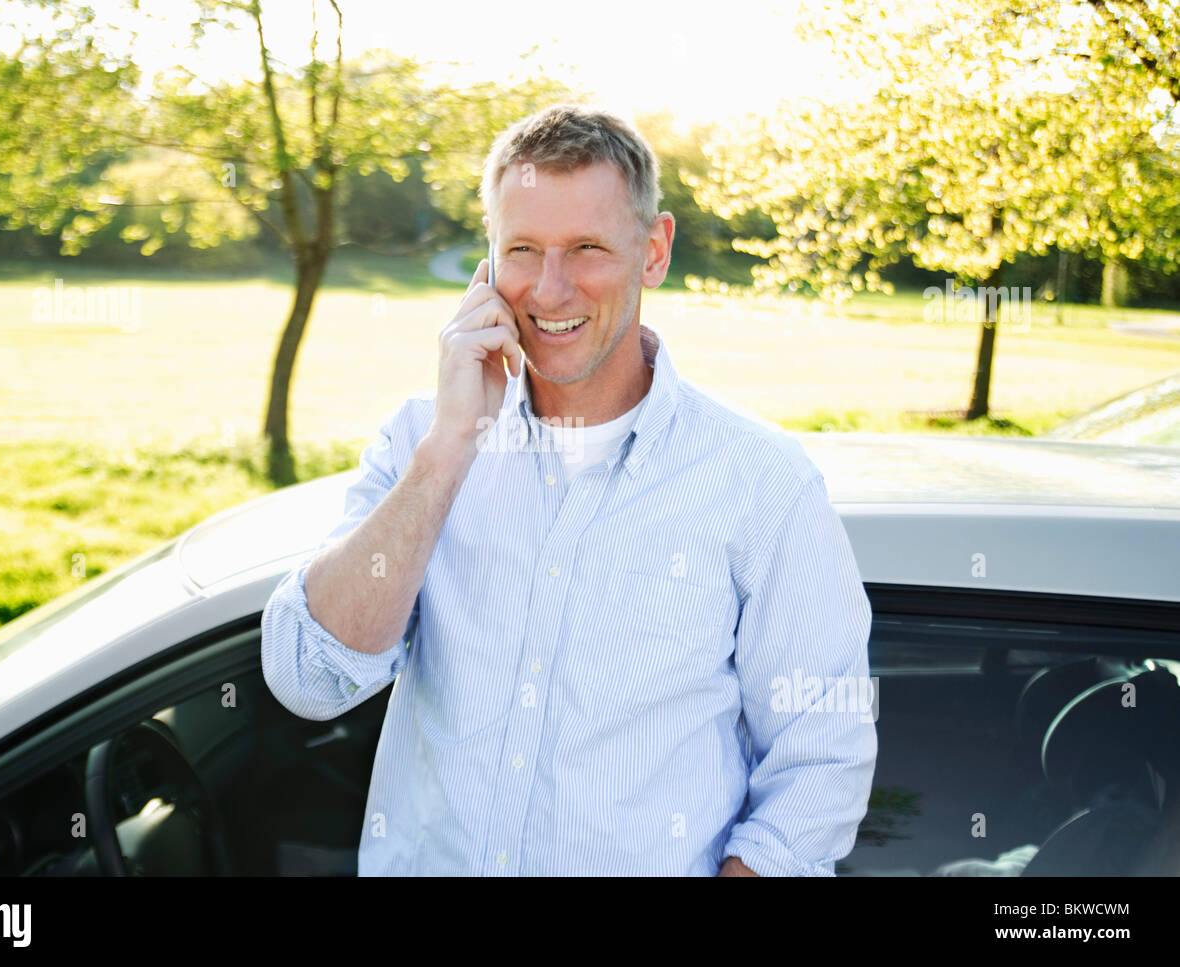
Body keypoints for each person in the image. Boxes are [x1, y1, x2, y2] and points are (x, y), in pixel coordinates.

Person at [260, 103, 877, 876]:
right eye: (522, 249)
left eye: (587, 248)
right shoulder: (420, 440)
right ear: (489, 260)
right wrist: (452, 446)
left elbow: (820, 763)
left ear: (653, 251)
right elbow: (310, 678)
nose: (550, 291)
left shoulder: (761, 484)